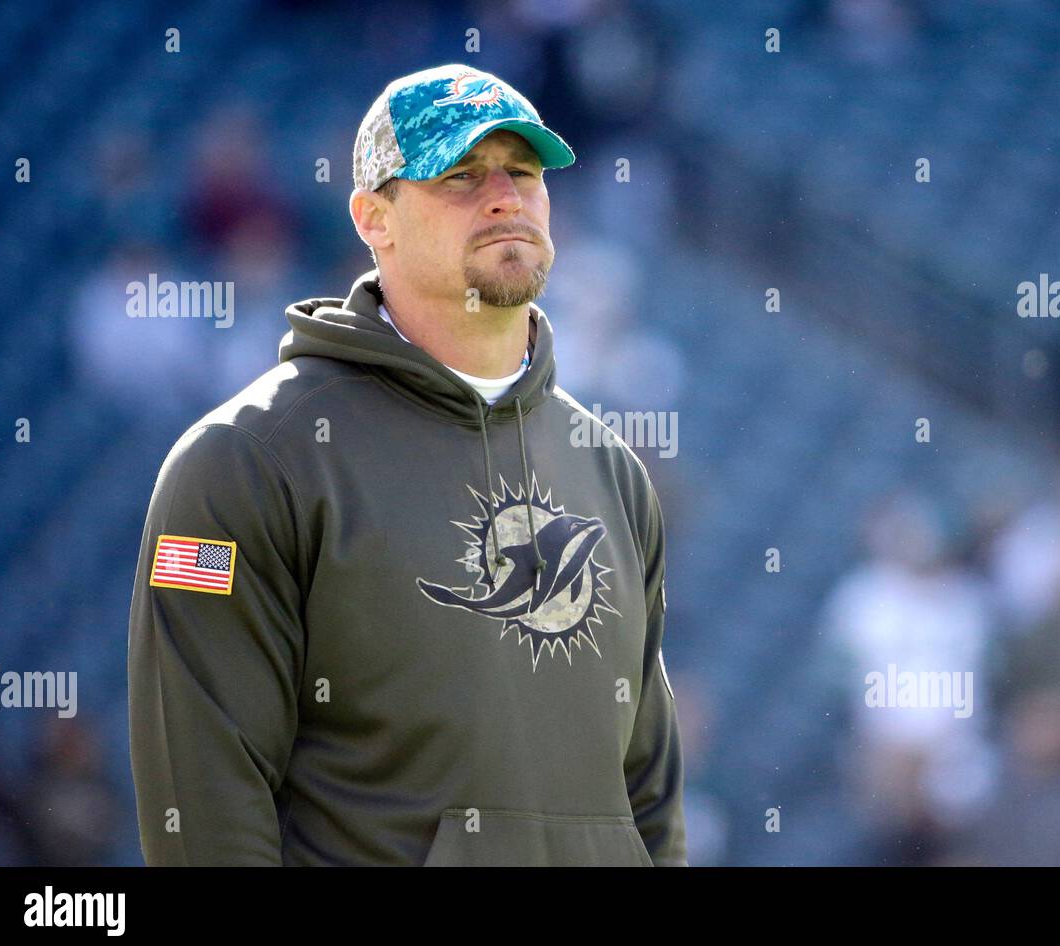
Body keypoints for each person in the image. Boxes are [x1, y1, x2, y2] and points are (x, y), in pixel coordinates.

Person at [127, 64, 686, 866]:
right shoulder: (244, 463)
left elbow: (652, 799)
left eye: (524, 173)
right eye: (461, 175)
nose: (505, 197)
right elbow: (205, 806)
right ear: (372, 217)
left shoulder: (613, 471)